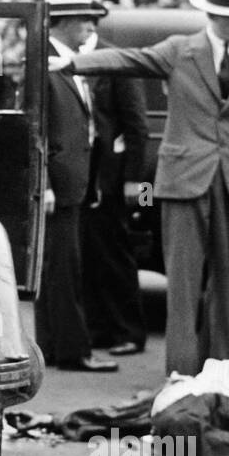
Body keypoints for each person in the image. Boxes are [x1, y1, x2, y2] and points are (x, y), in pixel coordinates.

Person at [67, 0, 229, 377]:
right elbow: (129, 60)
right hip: (184, 179)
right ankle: (181, 373)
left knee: (228, 282)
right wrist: (73, 63)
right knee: (182, 282)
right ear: (213, 14)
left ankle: (225, 371)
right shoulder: (181, 50)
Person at [36, 0, 116, 373]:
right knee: (64, 270)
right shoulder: (46, 64)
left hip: (74, 181)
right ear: (63, 22)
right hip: (59, 183)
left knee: (60, 268)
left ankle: (55, 346)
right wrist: (46, 184)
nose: (90, 26)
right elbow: (36, 130)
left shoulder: (65, 62)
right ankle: (72, 350)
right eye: (85, 19)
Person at [80, 52, 148, 356]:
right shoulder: (84, 61)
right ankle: (100, 329)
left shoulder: (115, 65)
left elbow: (137, 125)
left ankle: (129, 331)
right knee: (91, 256)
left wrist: (134, 179)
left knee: (116, 255)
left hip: (112, 178)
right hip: (87, 177)